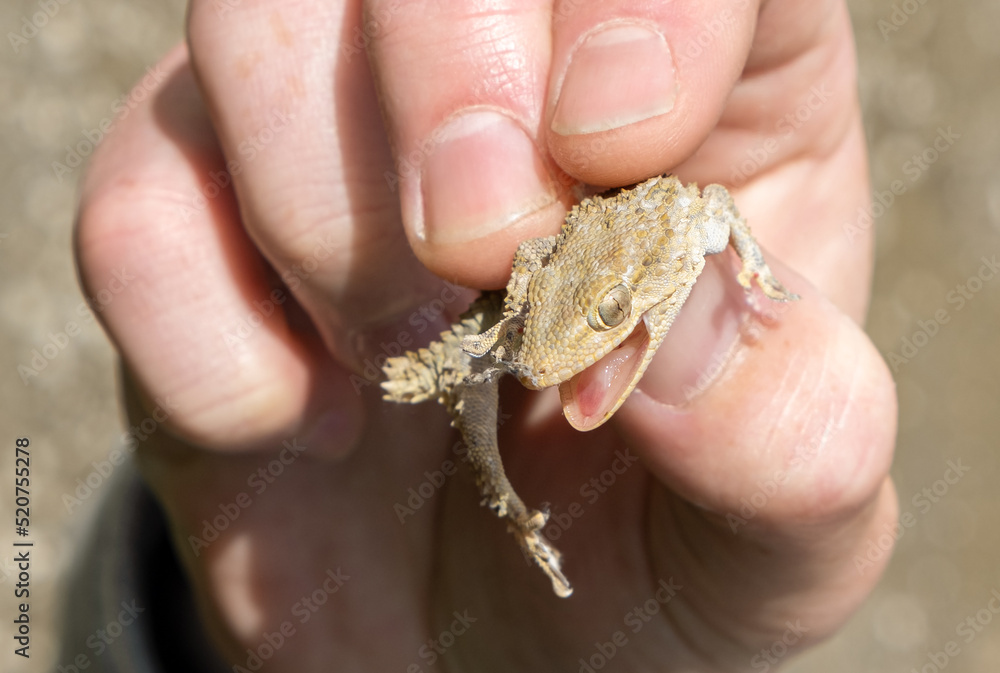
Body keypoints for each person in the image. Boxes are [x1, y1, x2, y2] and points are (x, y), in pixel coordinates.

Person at [66, 0, 898, 670]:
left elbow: (717, 211)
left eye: (607, 317)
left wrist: (755, 272)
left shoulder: (693, 223)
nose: (549, 363)